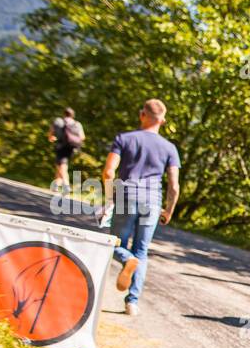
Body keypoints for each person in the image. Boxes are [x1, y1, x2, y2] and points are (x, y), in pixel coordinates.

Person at [101, 99, 181, 317]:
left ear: (141, 115)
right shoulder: (169, 148)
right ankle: (132, 303)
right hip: (152, 203)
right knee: (141, 251)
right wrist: (168, 210)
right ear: (162, 121)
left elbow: (109, 172)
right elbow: (174, 185)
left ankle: (127, 260)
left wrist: (109, 200)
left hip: (126, 197)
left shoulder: (124, 139)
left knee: (113, 244)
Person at [48, 107, 85, 192]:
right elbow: (82, 137)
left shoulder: (59, 121)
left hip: (61, 146)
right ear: (73, 115)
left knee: (61, 165)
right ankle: (56, 185)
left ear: (64, 113)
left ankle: (66, 184)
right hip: (72, 147)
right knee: (61, 164)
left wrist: (52, 138)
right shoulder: (77, 123)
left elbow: (51, 133)